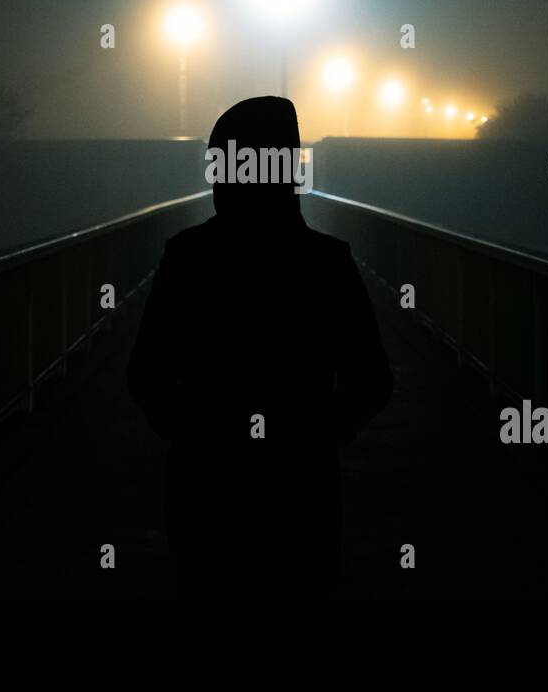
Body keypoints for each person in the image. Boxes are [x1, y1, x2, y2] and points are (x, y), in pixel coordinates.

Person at [127, 96, 393, 601]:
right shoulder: (328, 262)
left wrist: (193, 434)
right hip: (302, 487)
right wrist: (320, 435)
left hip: (205, 486)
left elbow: (144, 373)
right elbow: (373, 379)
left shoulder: (187, 257)